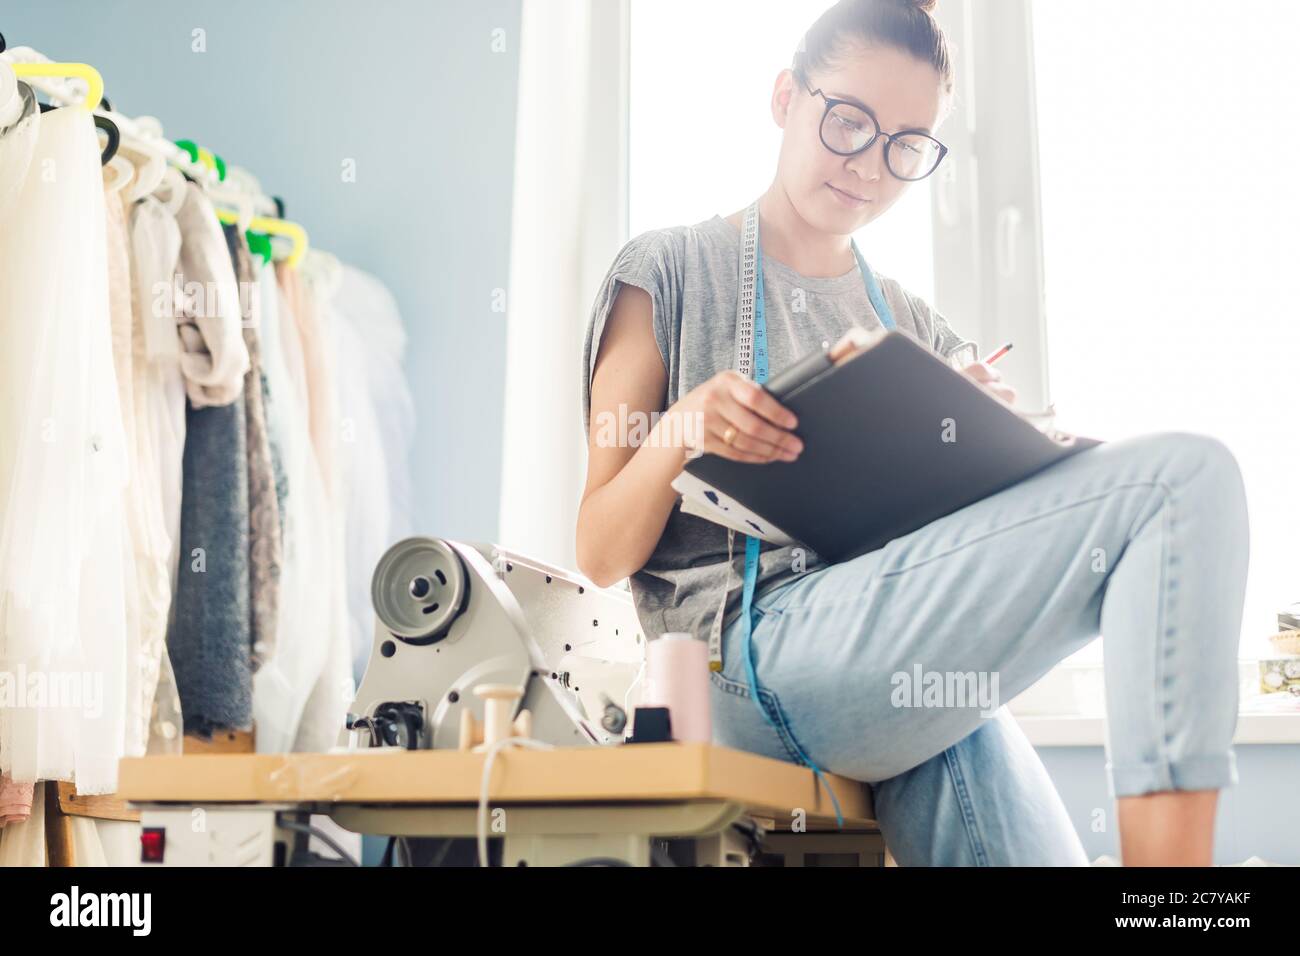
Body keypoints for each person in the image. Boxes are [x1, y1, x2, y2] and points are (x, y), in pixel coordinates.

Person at [577, 0, 1249, 866]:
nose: (871, 166)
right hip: (734, 664)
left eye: (907, 145)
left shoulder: (913, 327)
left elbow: (931, 562)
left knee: (961, 725)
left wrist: (972, 450)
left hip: (879, 678)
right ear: (787, 97)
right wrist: (680, 426)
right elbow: (598, 552)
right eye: (849, 121)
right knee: (1179, 483)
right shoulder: (666, 272)